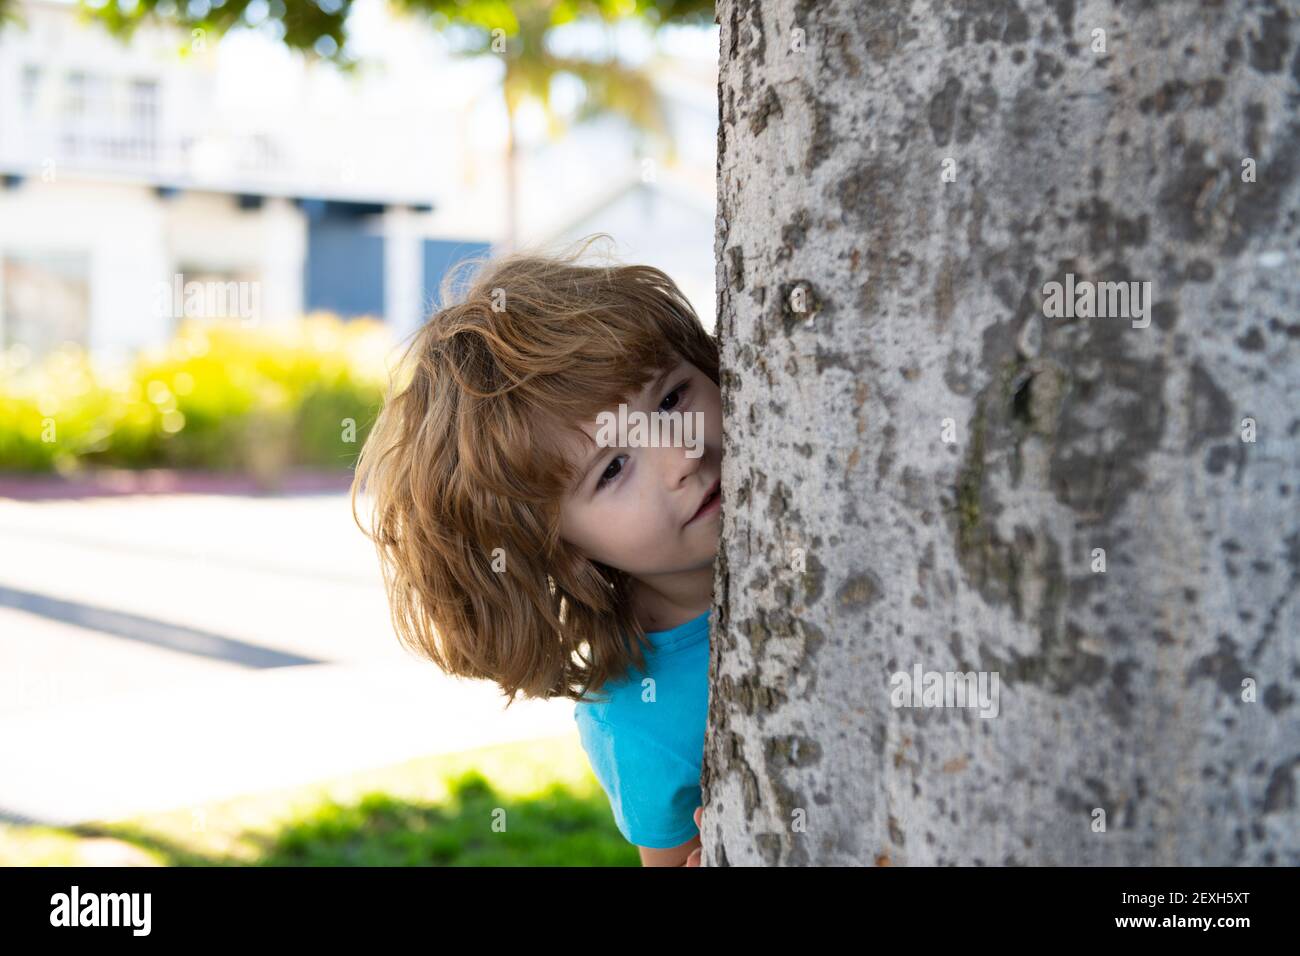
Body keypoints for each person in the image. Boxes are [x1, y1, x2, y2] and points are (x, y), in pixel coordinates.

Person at [351, 234, 718, 867]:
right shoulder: (636, 725)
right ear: (566, 553)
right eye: (614, 468)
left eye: (672, 398)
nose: (683, 454)